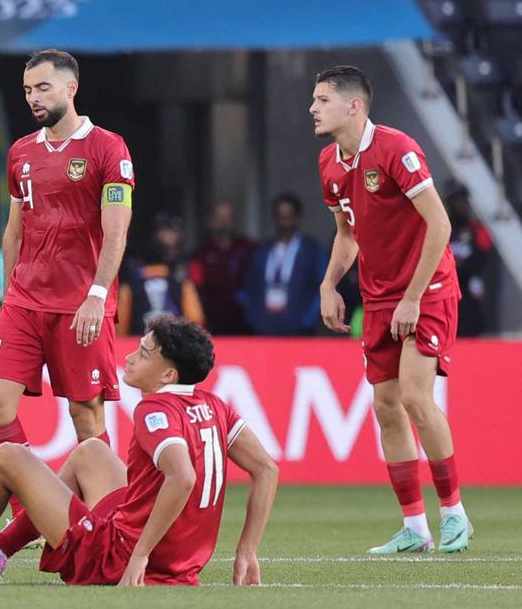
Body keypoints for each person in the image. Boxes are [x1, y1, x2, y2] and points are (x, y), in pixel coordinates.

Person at [0, 316, 278, 586]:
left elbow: (183, 477)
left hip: (118, 558)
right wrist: (247, 551)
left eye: (146, 353)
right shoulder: (215, 405)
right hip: (180, 564)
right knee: (91, 454)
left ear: (168, 375)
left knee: (7, 457)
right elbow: (266, 469)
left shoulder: (154, 410)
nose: (132, 356)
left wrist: (139, 556)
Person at [312, 65, 470, 554]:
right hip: (380, 297)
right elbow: (346, 233)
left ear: (353, 106)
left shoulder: (397, 148)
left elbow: (440, 226)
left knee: (417, 399)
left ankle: (454, 514)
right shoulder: (328, 163)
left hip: (428, 289)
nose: (313, 109)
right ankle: (415, 528)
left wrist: (413, 297)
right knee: (385, 406)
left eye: (322, 99)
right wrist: (329, 284)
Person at [0, 49, 134, 515]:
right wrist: (11, 293)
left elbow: (116, 229)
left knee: (86, 417)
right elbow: (15, 229)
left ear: (71, 88)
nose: (33, 97)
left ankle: (112, 522)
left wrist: (97, 295)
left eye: (43, 87)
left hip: (80, 305)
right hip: (25, 302)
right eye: (27, 89)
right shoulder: (21, 153)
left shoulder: (108, 148)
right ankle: (34, 513)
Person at [239, 193, 328, 336]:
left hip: (299, 331)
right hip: (264, 329)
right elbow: (248, 288)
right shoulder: (263, 251)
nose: (284, 222)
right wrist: (254, 319)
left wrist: (307, 320)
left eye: (288, 217)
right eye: (280, 217)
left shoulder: (312, 251)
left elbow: (323, 287)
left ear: (297, 218)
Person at [117, 213, 204, 335]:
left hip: (149, 345)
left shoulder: (188, 264)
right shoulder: (181, 285)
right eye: (163, 230)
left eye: (172, 230)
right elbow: (196, 321)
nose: (167, 236)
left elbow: (120, 327)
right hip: (167, 345)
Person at [188, 201, 255, 335]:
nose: (224, 222)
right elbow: (194, 286)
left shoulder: (247, 249)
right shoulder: (202, 253)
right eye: (220, 218)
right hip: (212, 321)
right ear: (211, 221)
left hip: (243, 321)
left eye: (227, 217)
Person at [444, 184, 492, 336]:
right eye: (457, 200)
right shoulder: (442, 228)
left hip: (469, 293)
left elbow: (482, 258)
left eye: (464, 200)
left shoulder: (477, 229)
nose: (462, 205)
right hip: (445, 291)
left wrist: (458, 267)